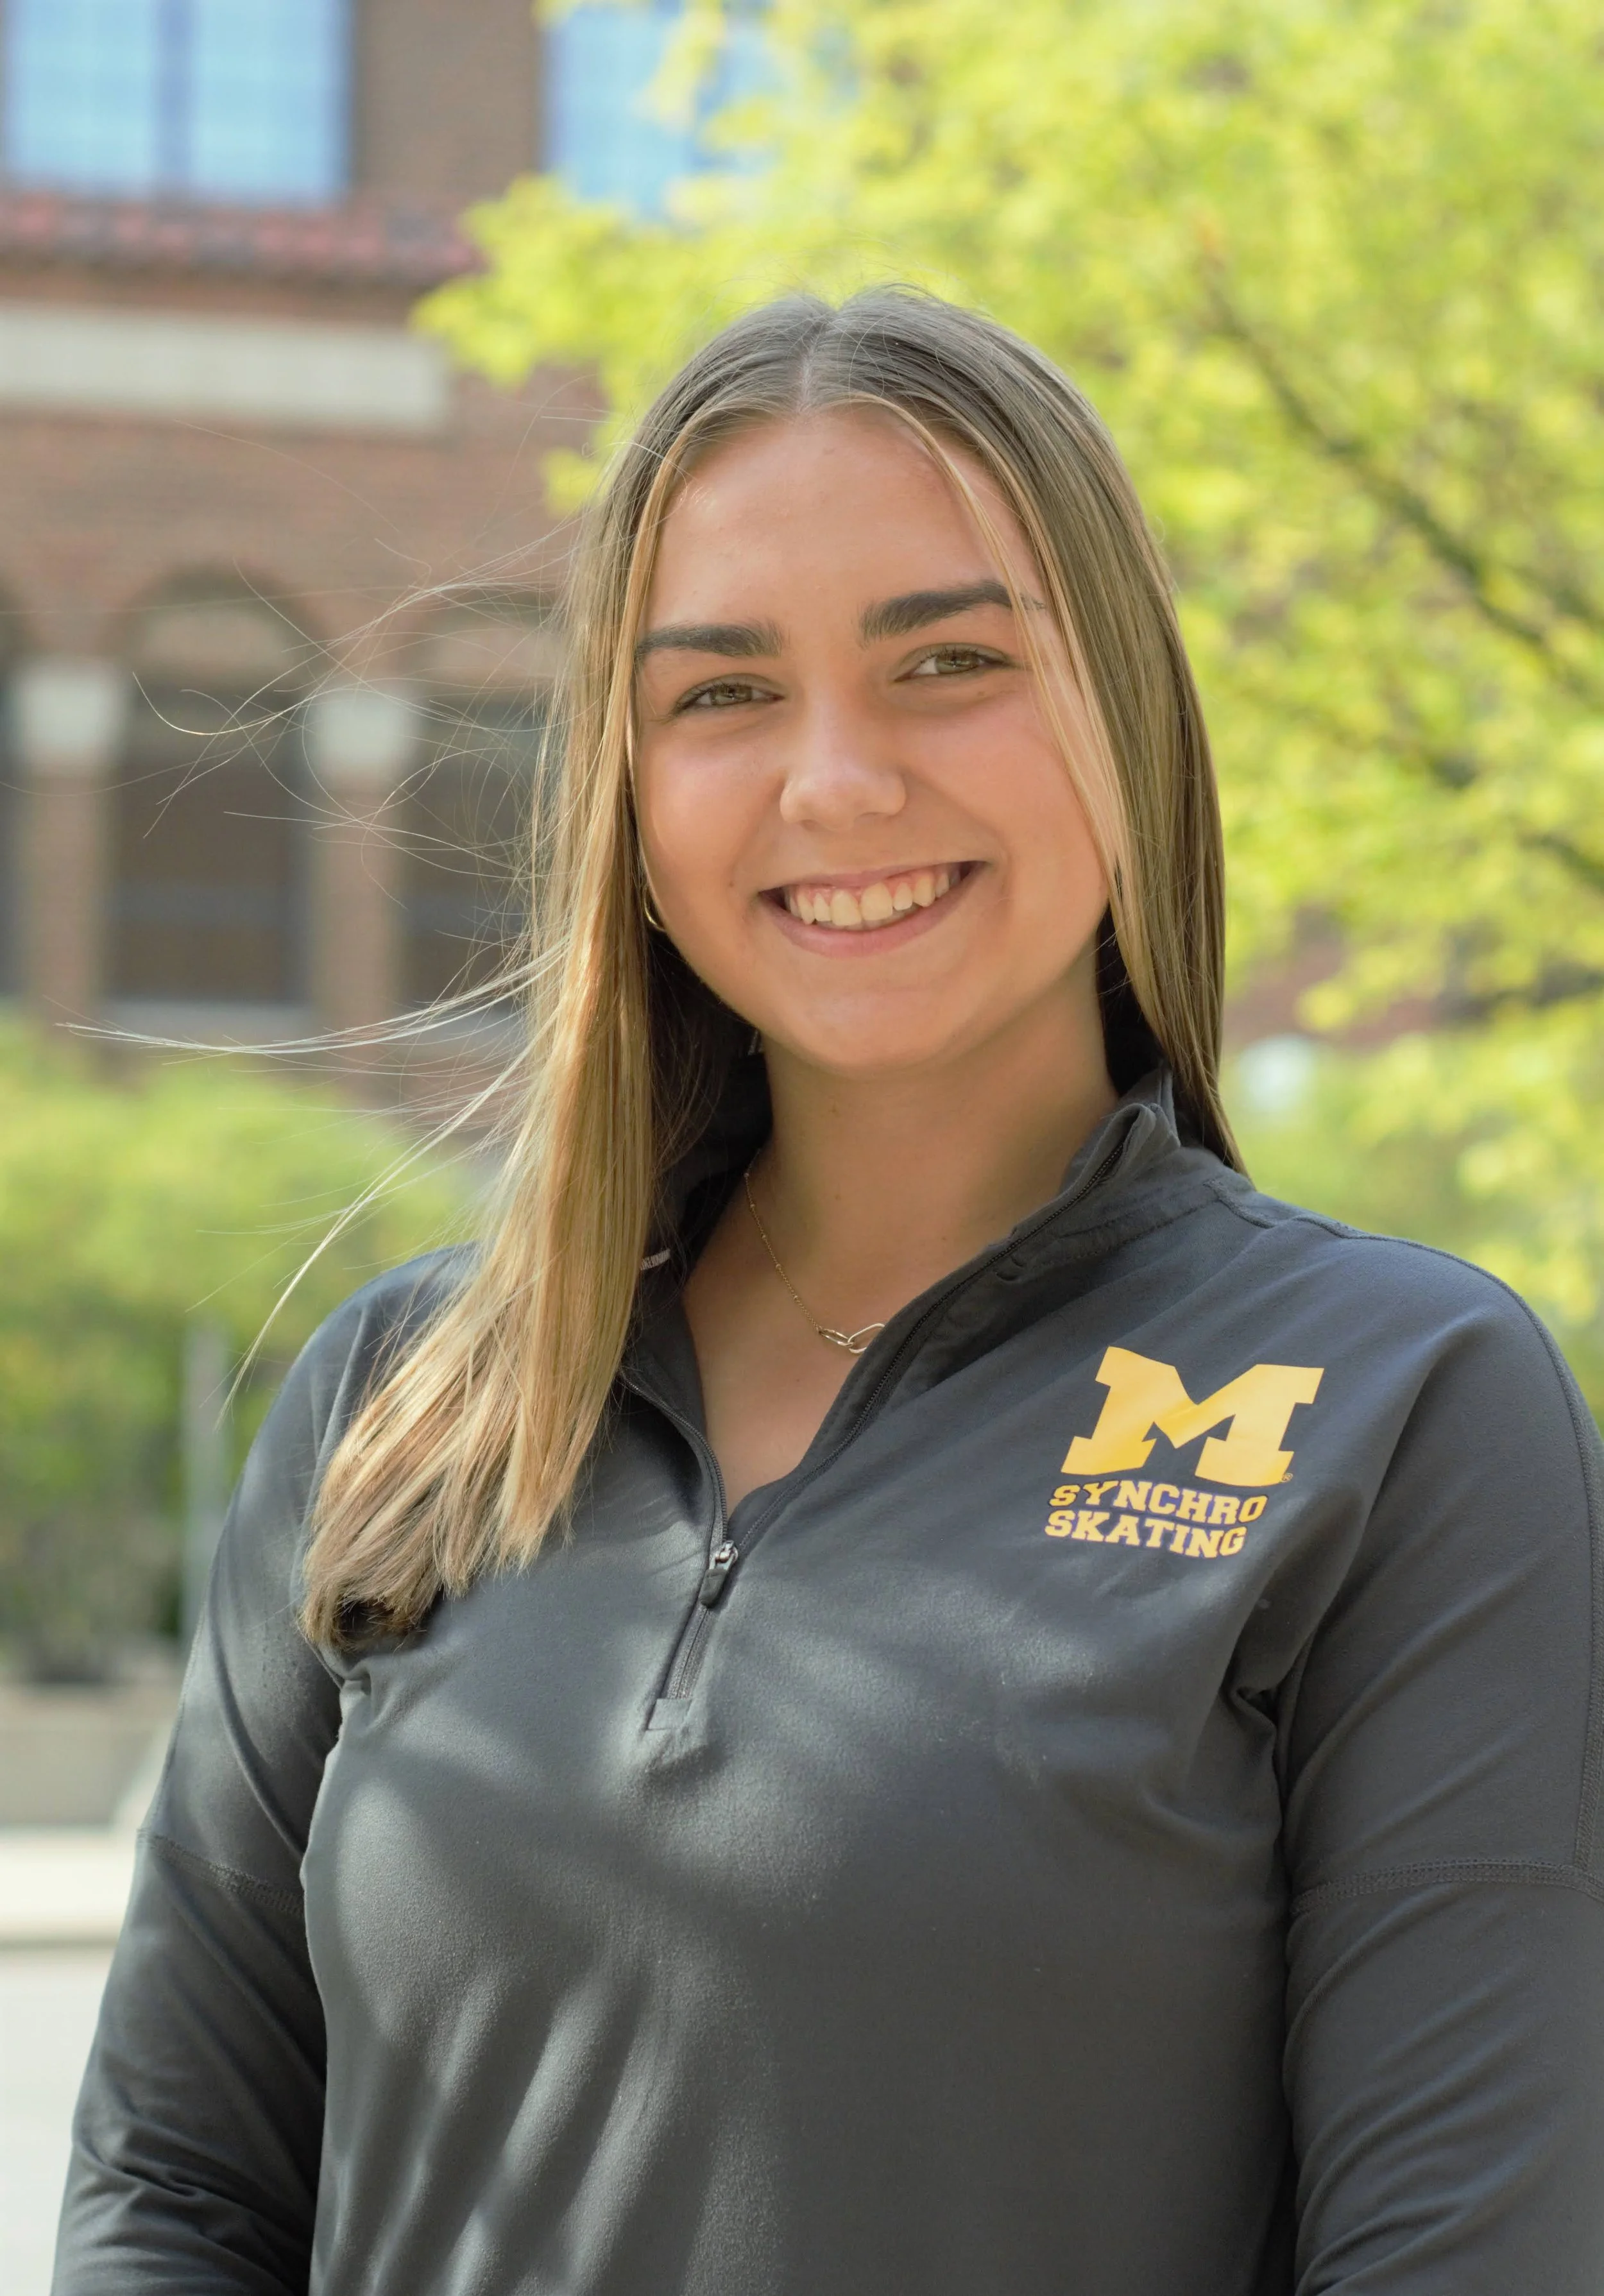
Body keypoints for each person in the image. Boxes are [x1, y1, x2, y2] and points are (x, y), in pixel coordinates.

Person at [53, 289, 1604, 2296]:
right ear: (624, 789)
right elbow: (175, 2193)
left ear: (1125, 715)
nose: (838, 781)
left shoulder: (1397, 1406)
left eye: (946, 662)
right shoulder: (400, 1399)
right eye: (721, 692)